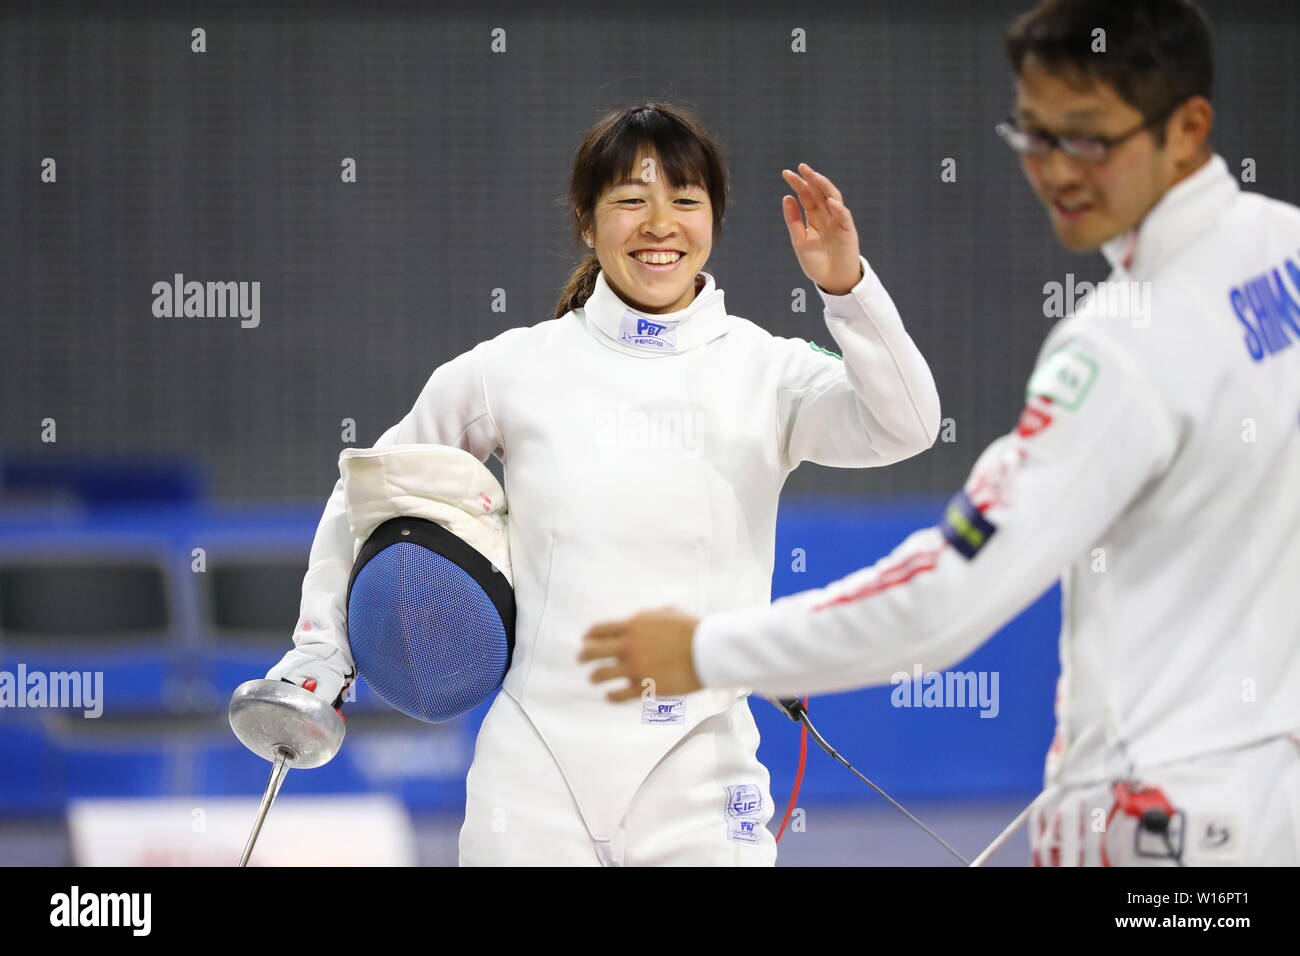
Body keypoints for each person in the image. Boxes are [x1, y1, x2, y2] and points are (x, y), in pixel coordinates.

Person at [581, 0, 1300, 866]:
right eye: (1033, 136)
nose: (1054, 171)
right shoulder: (1285, 248)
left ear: (1187, 130)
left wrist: (708, 647)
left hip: (1166, 822)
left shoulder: (1122, 346)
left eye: (1087, 139)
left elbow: (944, 595)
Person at [267, 102, 941, 866]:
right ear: (587, 222)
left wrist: (847, 288)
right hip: (534, 773)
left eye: (686, 201)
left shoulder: (767, 371)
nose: (660, 224)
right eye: (630, 200)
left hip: (700, 772)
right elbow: (370, 490)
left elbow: (909, 423)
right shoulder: (514, 368)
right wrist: (320, 650)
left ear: (713, 219)